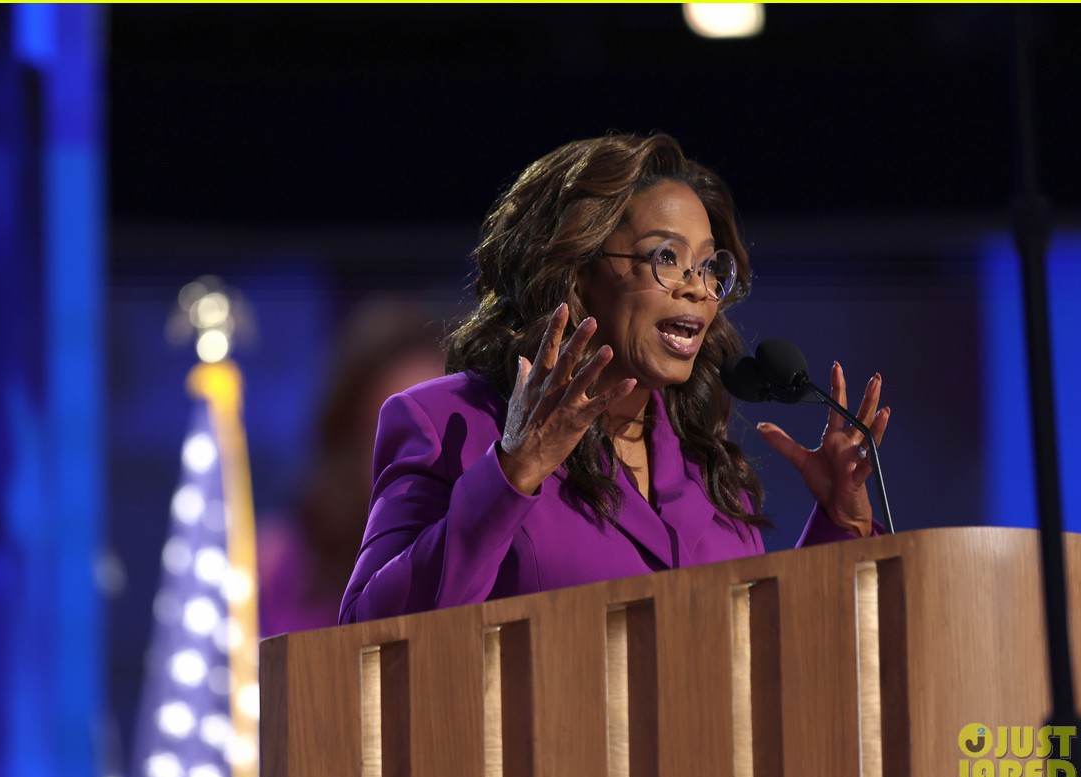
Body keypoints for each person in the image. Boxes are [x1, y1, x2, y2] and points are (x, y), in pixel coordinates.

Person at [339, 133, 889, 624]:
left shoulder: (707, 463)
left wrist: (838, 524)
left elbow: (761, 658)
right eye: (666, 257)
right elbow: (370, 635)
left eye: (708, 266)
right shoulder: (449, 423)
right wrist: (515, 471)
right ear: (577, 271)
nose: (698, 288)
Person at [257, 301, 446, 636]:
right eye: (399, 437)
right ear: (347, 446)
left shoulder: (517, 572)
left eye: (445, 432)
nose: (424, 462)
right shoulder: (270, 570)